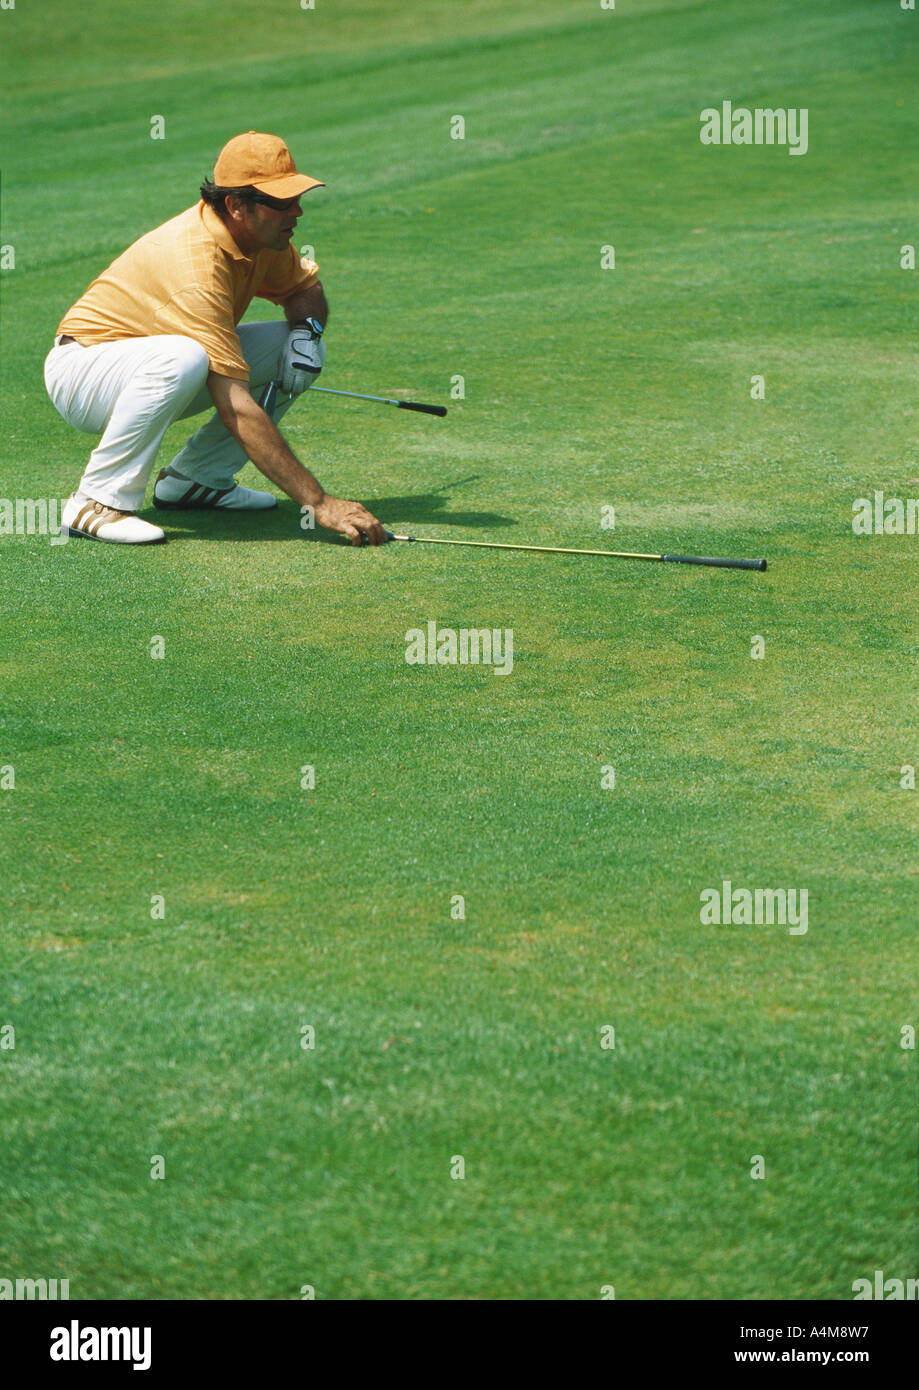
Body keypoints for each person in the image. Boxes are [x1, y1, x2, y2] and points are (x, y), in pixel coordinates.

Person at [44, 130, 386, 546]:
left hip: (146, 364)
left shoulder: (268, 238)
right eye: (280, 203)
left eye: (297, 198)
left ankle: (197, 479)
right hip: (83, 371)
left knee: (290, 348)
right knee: (184, 357)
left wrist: (307, 332)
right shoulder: (196, 266)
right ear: (236, 205)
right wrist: (318, 502)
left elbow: (303, 290)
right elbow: (237, 409)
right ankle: (95, 502)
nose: (296, 212)